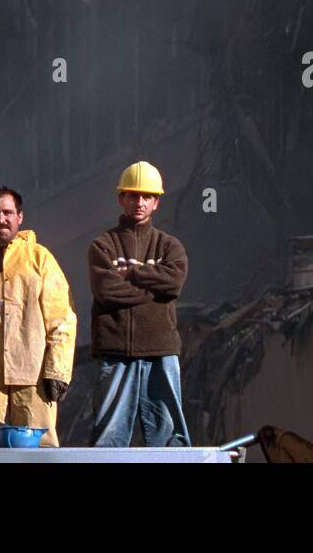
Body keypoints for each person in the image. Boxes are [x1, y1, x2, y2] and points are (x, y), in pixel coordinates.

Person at [0, 185, 76, 447]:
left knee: (35, 447)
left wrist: (57, 370)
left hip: (33, 375)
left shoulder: (40, 259)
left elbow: (62, 318)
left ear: (20, 216)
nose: (1, 219)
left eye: (8, 212)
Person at [88, 160, 191, 447]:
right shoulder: (102, 245)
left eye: (147, 196)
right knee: (109, 437)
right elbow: (107, 291)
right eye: (132, 195)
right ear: (121, 198)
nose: (139, 202)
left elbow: (174, 284)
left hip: (161, 350)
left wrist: (132, 272)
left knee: (168, 436)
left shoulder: (170, 246)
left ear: (157, 202)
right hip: (115, 350)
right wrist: (154, 294)